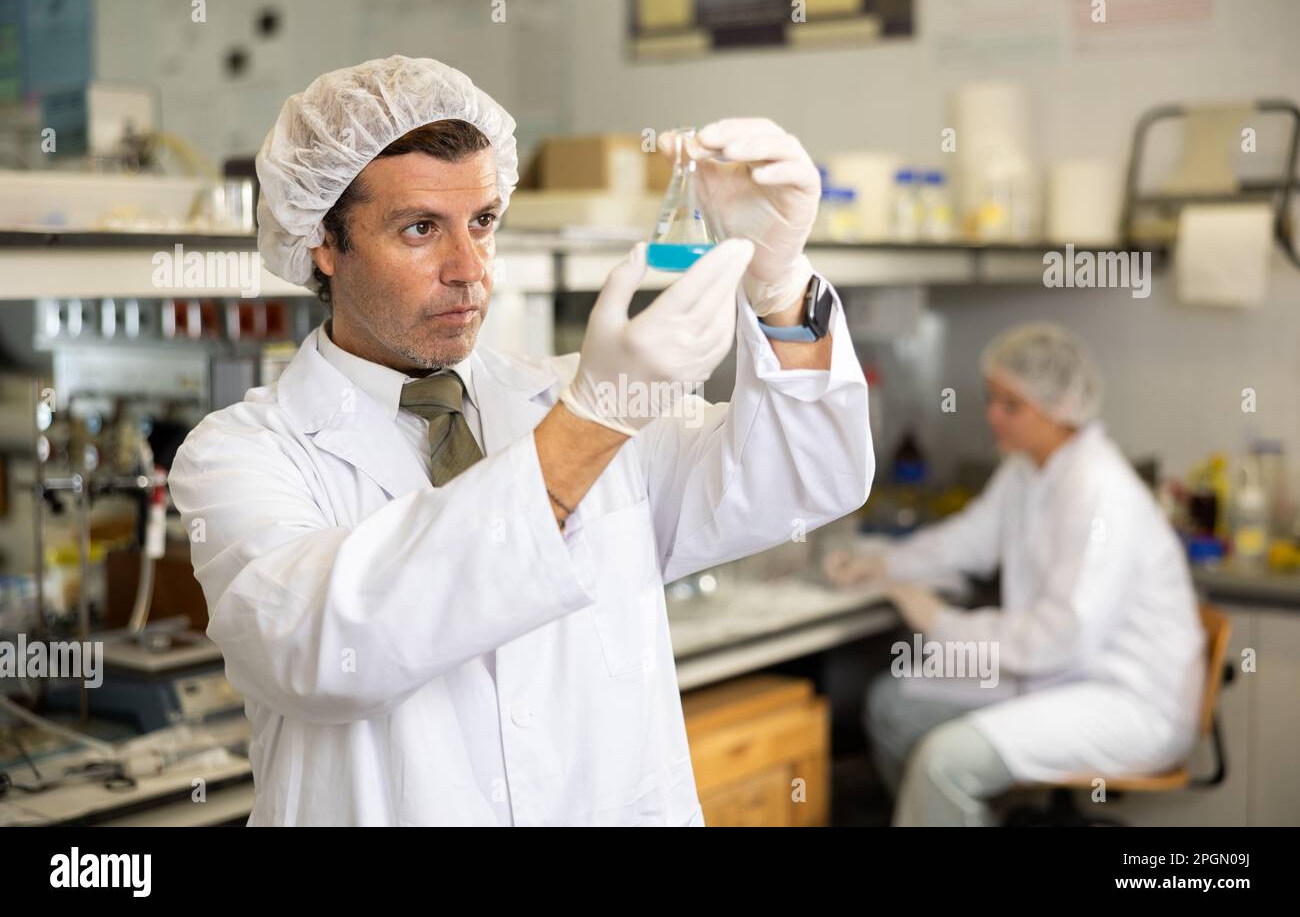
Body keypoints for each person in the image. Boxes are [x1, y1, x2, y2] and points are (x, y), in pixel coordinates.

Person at [167, 56, 874, 826]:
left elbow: (803, 484)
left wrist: (779, 286)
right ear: (321, 243)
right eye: (419, 229)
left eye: (483, 222)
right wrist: (593, 420)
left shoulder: (574, 399)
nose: (469, 270)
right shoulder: (242, 454)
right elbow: (319, 648)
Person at [824, 322, 1204, 826]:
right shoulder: (1029, 468)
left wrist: (942, 623)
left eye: (1010, 405)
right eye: (992, 399)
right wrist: (883, 563)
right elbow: (969, 540)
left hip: (1123, 697)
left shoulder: (1099, 492)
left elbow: (1060, 636)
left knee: (943, 762)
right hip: (1057, 672)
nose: (991, 416)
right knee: (894, 704)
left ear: (1058, 408)